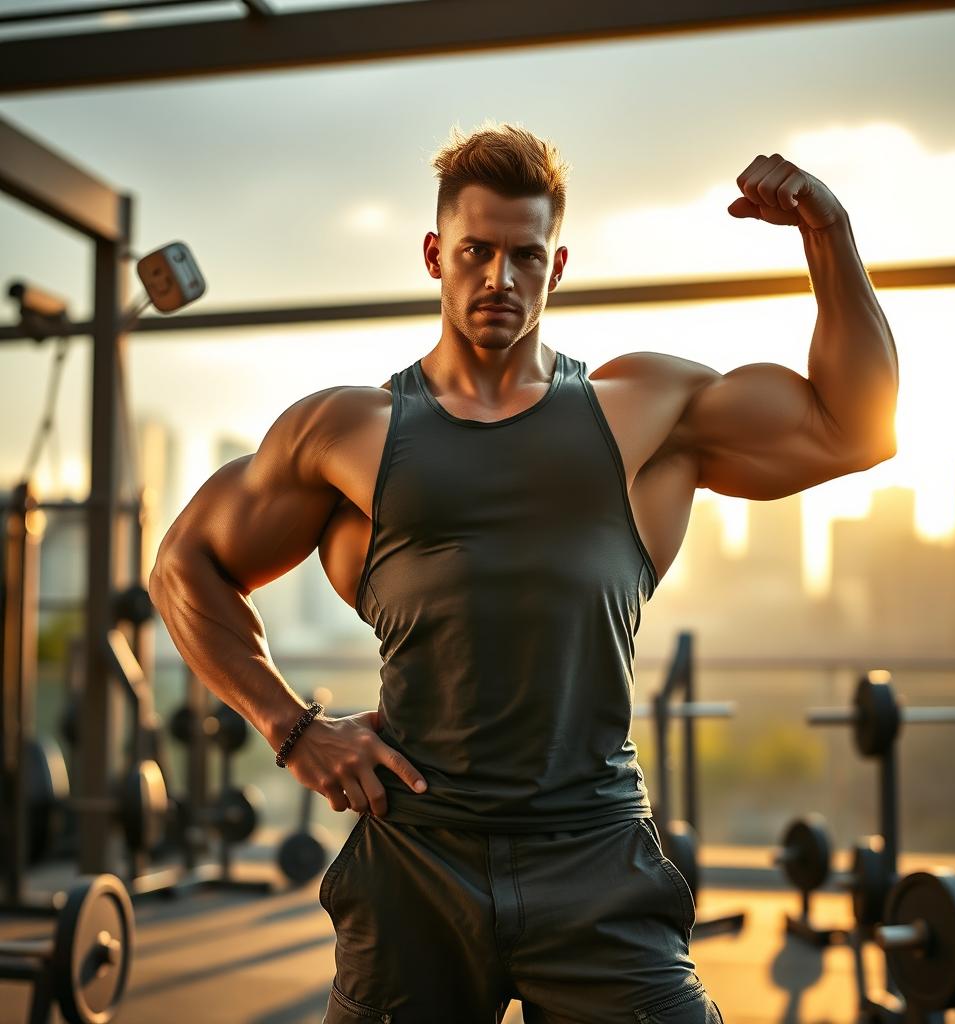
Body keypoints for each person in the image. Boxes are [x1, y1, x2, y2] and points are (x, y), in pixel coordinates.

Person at [150, 121, 899, 1023]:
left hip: (595, 857)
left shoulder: (643, 411)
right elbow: (183, 566)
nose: (500, 278)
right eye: (476, 251)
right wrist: (293, 729)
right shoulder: (346, 433)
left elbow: (854, 428)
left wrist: (829, 231)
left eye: (525, 256)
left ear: (557, 266)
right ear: (436, 255)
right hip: (416, 861)